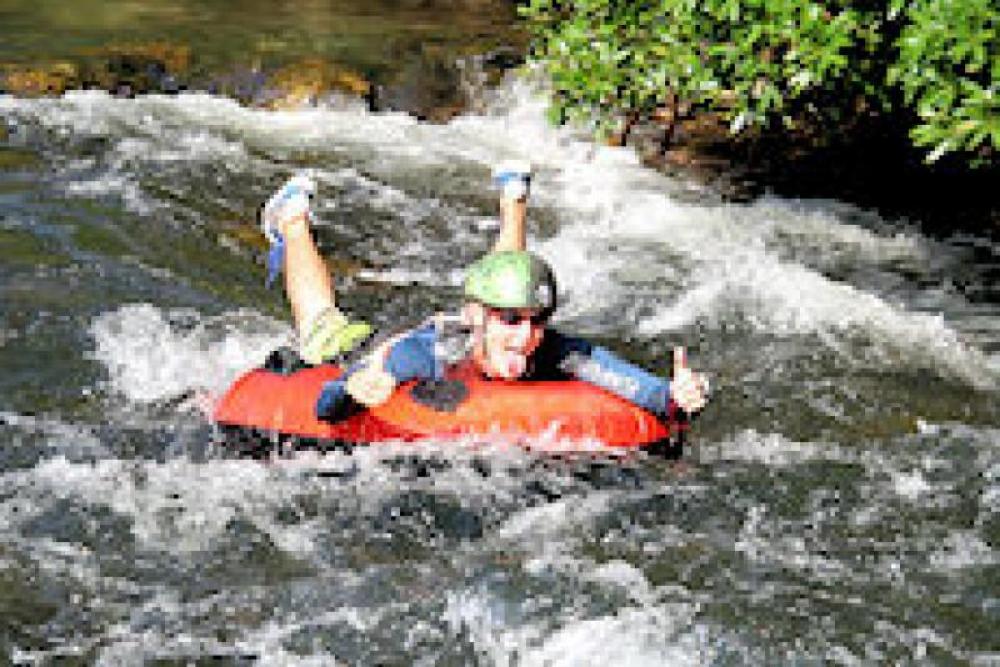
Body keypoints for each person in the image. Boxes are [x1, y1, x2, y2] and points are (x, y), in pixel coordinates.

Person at [260, 164, 709, 425]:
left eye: (538, 320)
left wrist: (677, 396)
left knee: (510, 284)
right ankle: (294, 218)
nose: (528, 335)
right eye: (512, 321)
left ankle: (514, 199)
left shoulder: (554, 348)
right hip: (370, 345)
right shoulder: (426, 352)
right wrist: (355, 390)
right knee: (321, 326)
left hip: (475, 318)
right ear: (480, 319)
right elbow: (326, 407)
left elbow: (644, 391)